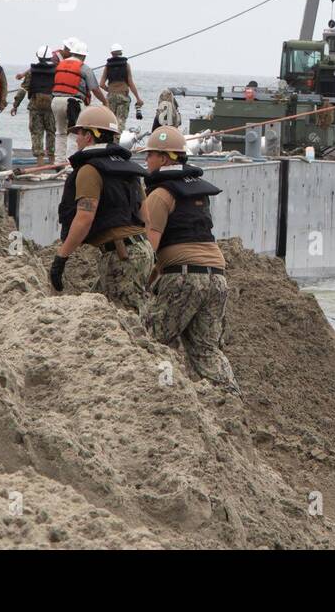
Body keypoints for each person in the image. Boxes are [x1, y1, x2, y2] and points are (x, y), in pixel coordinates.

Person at [138, 126, 241, 395]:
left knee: (155, 339)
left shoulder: (159, 194)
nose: (146, 161)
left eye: (149, 155)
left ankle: (162, 395)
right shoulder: (198, 193)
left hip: (183, 276)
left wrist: (143, 284)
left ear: (164, 158)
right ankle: (230, 400)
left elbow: (151, 246)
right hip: (217, 277)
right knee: (206, 349)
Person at [48, 105, 153, 312]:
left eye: (78, 133)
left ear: (89, 136)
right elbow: (145, 215)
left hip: (122, 255)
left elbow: (84, 218)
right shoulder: (128, 170)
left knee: (122, 320)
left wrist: (62, 257)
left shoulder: (89, 170)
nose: (76, 139)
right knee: (99, 309)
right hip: (141, 249)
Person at [50, 38, 107, 164]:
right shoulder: (84, 68)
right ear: (83, 56)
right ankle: (71, 162)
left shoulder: (60, 64)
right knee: (74, 133)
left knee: (60, 132)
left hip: (55, 101)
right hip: (73, 102)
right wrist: (105, 102)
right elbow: (95, 88)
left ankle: (59, 162)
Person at [11, 45, 57, 164]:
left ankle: (40, 161)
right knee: (51, 132)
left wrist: (15, 105)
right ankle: (52, 161)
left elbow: (23, 90)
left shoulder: (32, 72)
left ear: (38, 56)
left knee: (37, 132)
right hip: (51, 106)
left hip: (35, 106)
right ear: (51, 57)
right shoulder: (57, 71)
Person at [102, 42, 144, 130]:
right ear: (121, 52)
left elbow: (101, 84)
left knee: (110, 122)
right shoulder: (126, 65)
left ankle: (109, 141)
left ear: (111, 53)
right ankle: (117, 140)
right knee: (120, 122)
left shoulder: (107, 66)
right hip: (123, 97)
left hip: (110, 98)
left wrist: (110, 90)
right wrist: (138, 98)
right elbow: (131, 84)